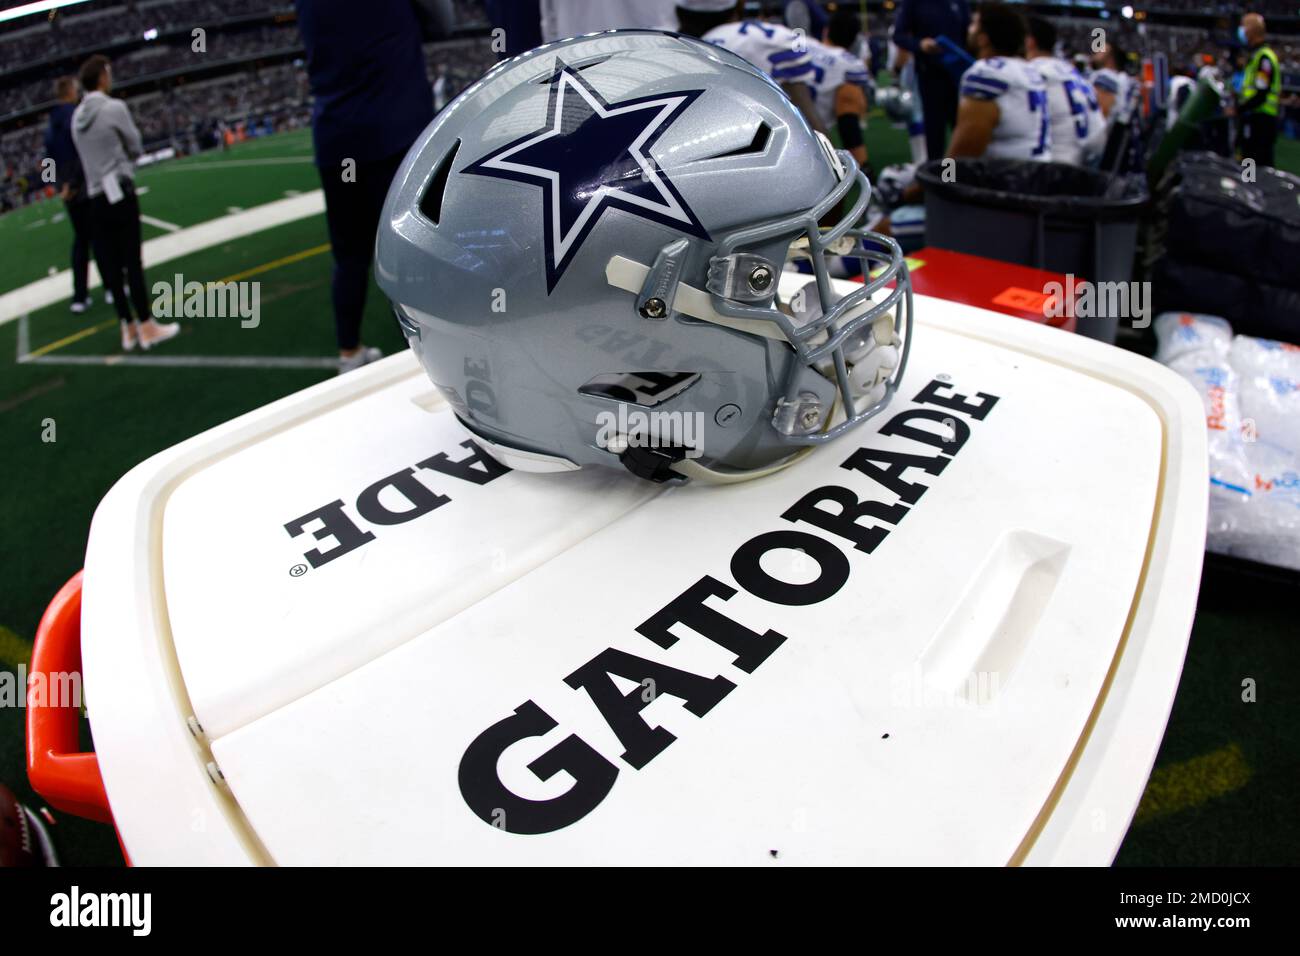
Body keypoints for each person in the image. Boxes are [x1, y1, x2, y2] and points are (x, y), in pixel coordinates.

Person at [295, 0, 438, 374]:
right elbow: (443, 22)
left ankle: (349, 353)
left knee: (349, 257)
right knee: (415, 249)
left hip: (338, 135)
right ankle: (431, 352)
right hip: (399, 126)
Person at [71, 55, 179, 351]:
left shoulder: (75, 118)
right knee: (132, 261)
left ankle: (127, 327)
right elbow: (134, 145)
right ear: (102, 78)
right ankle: (146, 325)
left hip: (95, 198)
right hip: (119, 191)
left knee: (110, 266)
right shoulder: (114, 108)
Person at [676, 1, 829, 136]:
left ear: (680, 12)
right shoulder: (776, 38)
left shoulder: (679, 50)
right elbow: (810, 123)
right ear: (739, 5)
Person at [948, 3, 1049, 161]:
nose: (969, 28)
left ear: (983, 39)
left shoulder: (987, 74)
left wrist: (935, 181)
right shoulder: (1029, 71)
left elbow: (962, 157)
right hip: (1037, 173)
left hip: (1004, 181)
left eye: (975, 24)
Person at [892, 0, 970, 161]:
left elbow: (967, 35)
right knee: (935, 133)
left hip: (959, 75)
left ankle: (957, 178)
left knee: (962, 131)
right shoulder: (914, 4)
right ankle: (939, 179)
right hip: (931, 75)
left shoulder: (960, 3)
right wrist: (920, 44)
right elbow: (898, 35)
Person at [44, 76, 96, 313]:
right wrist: (73, 182)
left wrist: (59, 186)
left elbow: (49, 161)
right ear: (69, 92)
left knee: (81, 239)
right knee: (99, 235)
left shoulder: (49, 127)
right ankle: (112, 287)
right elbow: (80, 151)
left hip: (67, 190)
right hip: (83, 184)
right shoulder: (74, 116)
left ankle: (80, 296)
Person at [1025, 15, 1104, 166]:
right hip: (1085, 168)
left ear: (1030, 41)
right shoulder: (1074, 73)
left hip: (1053, 169)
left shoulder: (1032, 73)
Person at [807, 10, 874, 170]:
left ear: (826, 30)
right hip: (812, 142)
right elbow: (848, 120)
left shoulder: (804, 45)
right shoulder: (849, 64)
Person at [1234, 12, 1280, 167]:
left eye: (1243, 25)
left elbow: (1261, 93)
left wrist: (1238, 109)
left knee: (1254, 163)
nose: (1241, 30)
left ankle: (1252, 188)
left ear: (1252, 30)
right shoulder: (1256, 56)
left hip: (1260, 122)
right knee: (1249, 161)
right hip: (1255, 119)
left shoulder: (1264, 58)